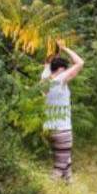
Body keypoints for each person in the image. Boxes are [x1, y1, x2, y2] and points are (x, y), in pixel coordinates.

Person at [41, 44, 85, 181]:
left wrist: (55, 51)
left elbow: (48, 63)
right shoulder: (60, 80)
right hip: (62, 130)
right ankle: (49, 191)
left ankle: (69, 185)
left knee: (66, 162)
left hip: (49, 128)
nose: (69, 74)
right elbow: (80, 62)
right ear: (61, 70)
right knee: (59, 167)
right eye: (65, 70)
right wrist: (65, 48)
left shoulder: (44, 79)